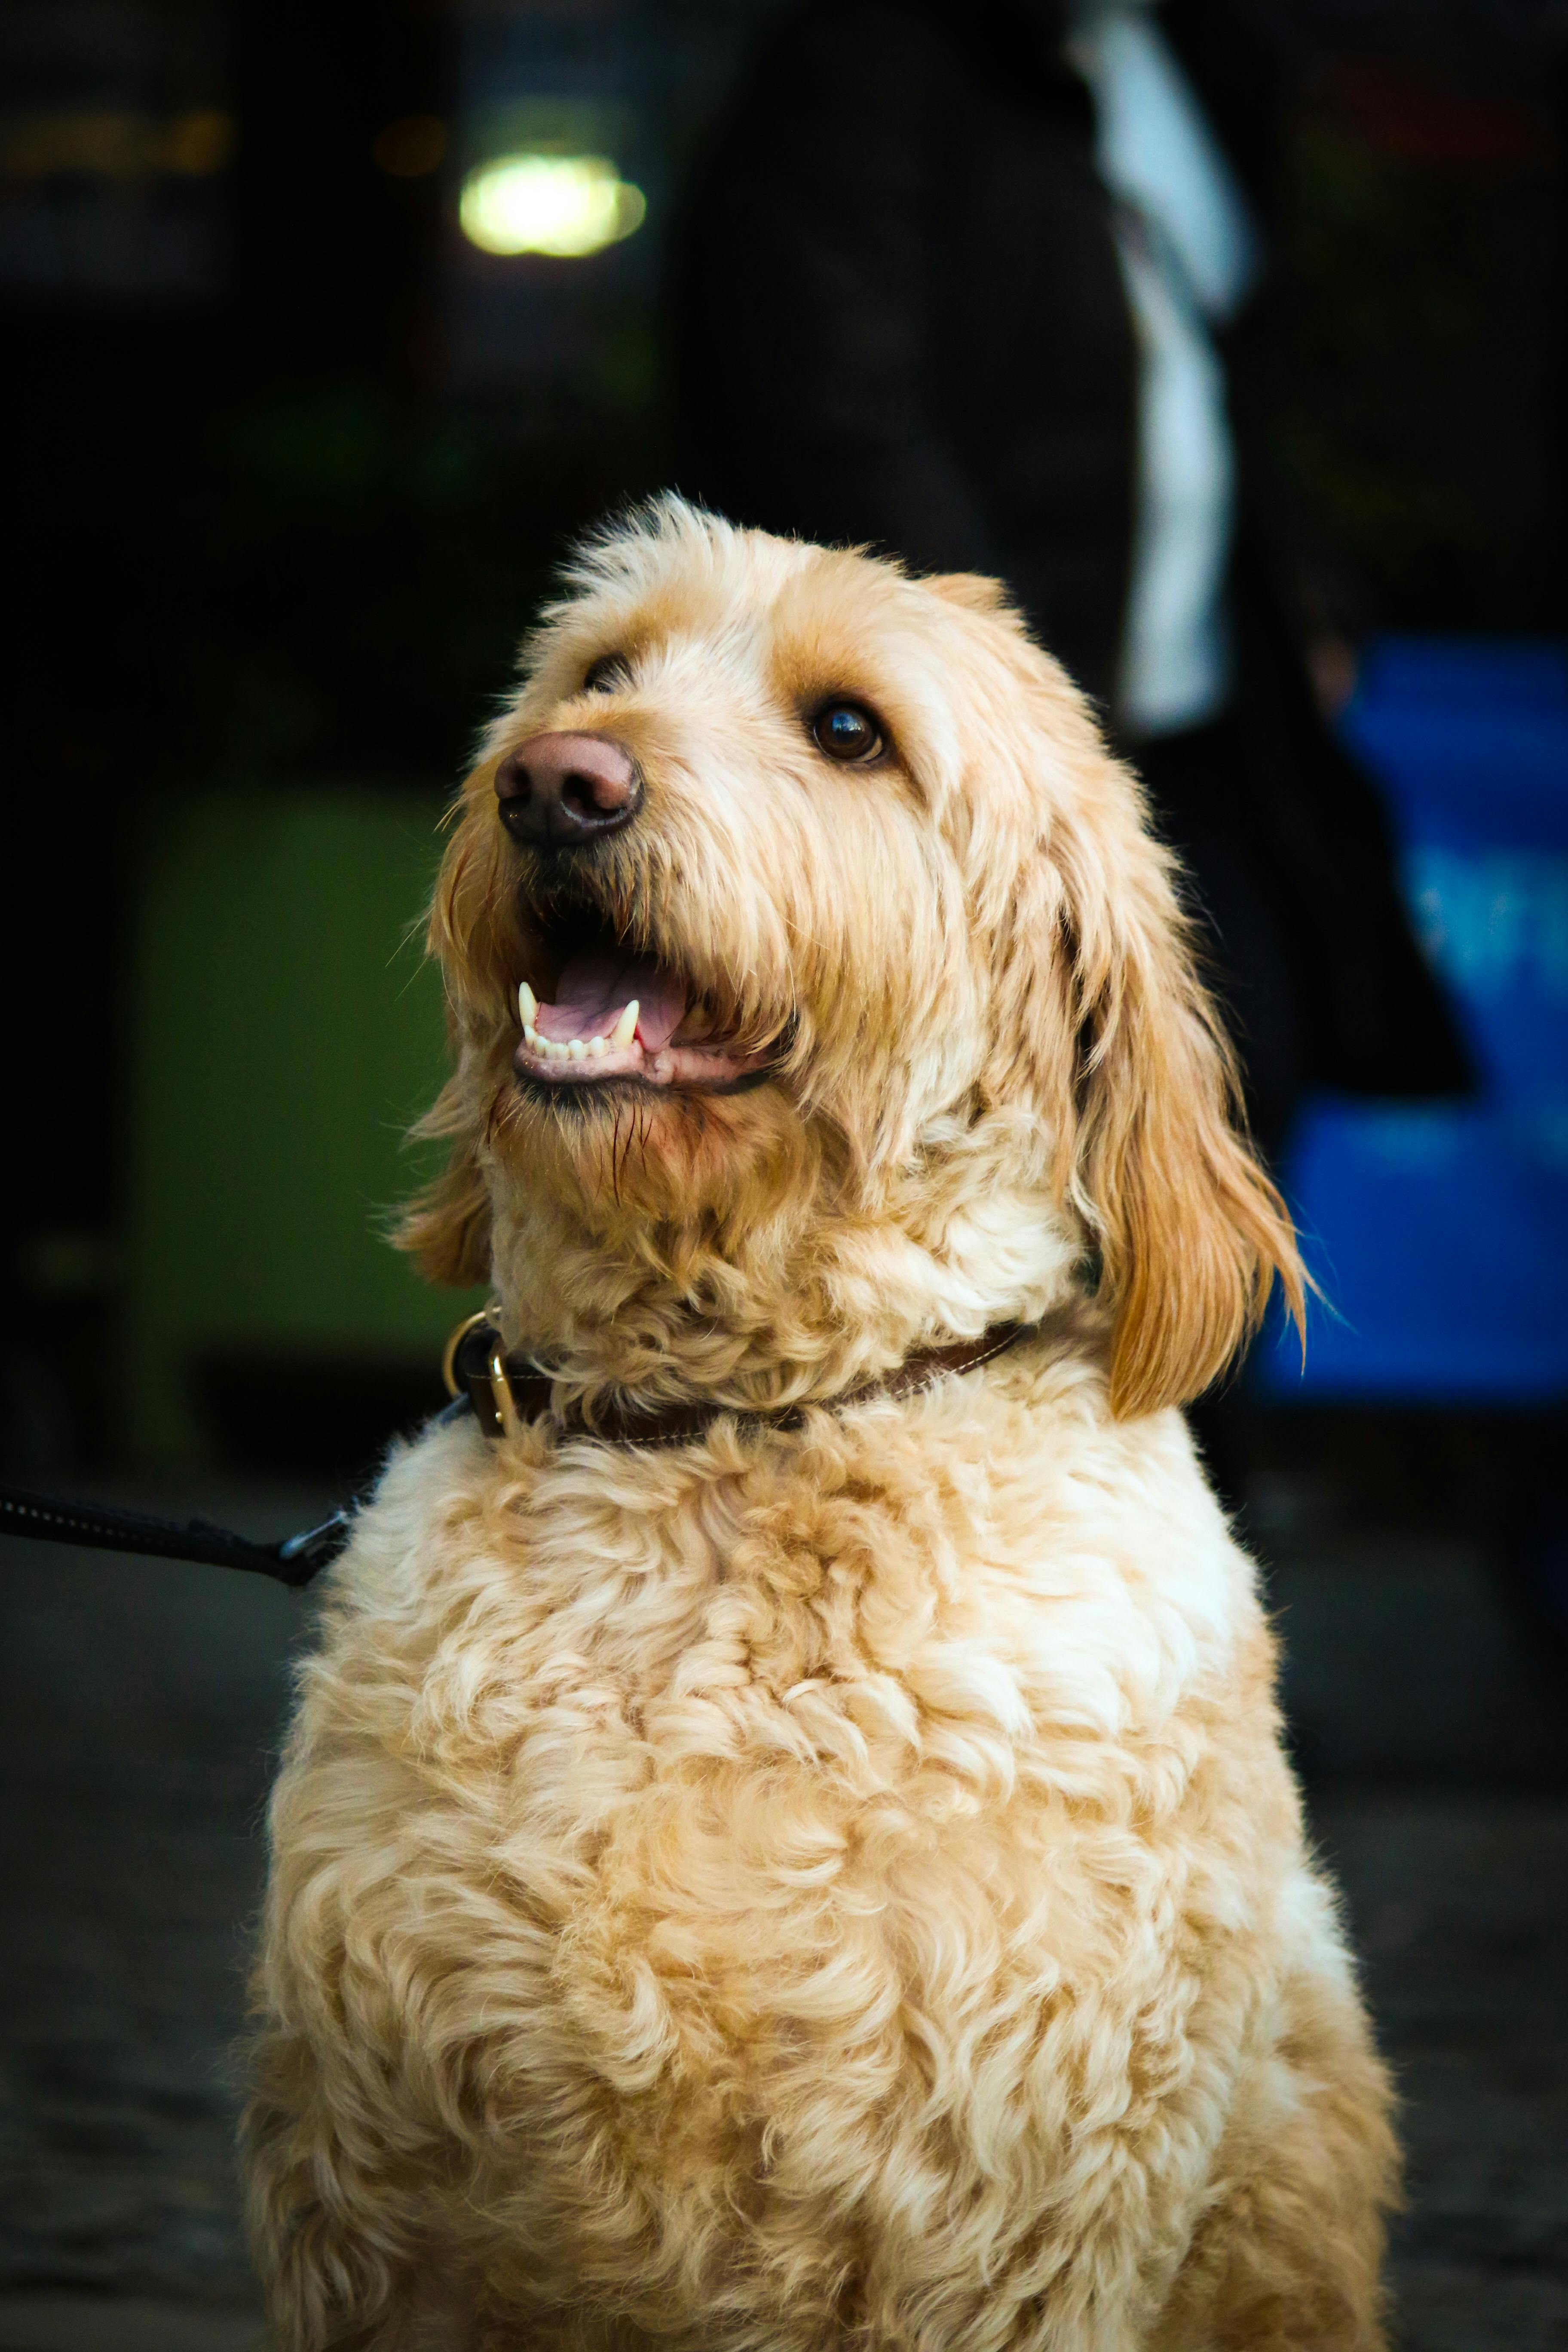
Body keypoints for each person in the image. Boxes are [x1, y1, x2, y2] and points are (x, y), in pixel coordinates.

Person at [674, 0, 1470, 1177]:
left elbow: (1239, 381)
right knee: (955, 1171)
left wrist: (1308, 600)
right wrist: (1001, 699)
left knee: (1220, 1141)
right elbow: (839, 416)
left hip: (1198, 742)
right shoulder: (871, 56)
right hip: (955, 776)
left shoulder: (1202, 57)